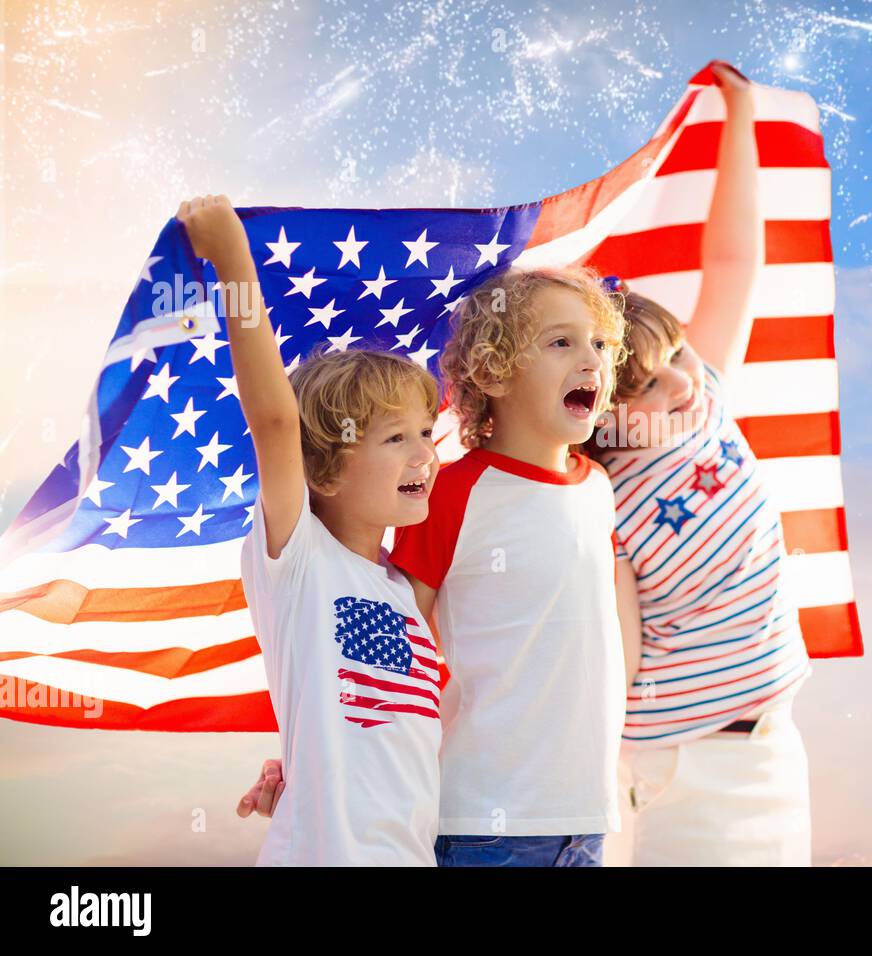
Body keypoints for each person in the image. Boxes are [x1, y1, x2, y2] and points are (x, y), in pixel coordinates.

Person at [239, 265, 629, 867]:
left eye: (600, 343)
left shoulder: (597, 487)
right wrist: (303, 751)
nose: (590, 359)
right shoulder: (444, 498)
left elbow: (393, 695)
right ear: (495, 370)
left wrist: (305, 749)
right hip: (486, 825)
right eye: (561, 341)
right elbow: (273, 425)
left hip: (583, 816)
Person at [588, 61, 816, 866]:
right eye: (648, 382)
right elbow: (621, 652)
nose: (681, 378)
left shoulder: (708, 397)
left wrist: (740, 114)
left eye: (676, 351)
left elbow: (732, 264)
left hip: (772, 744)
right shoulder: (599, 495)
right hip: (682, 763)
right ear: (602, 415)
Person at [178, 194, 448, 865]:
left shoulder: (404, 591)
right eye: (395, 439)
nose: (425, 455)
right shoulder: (300, 558)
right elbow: (272, 419)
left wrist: (299, 760)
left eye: (425, 433)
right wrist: (233, 257)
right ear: (322, 471)